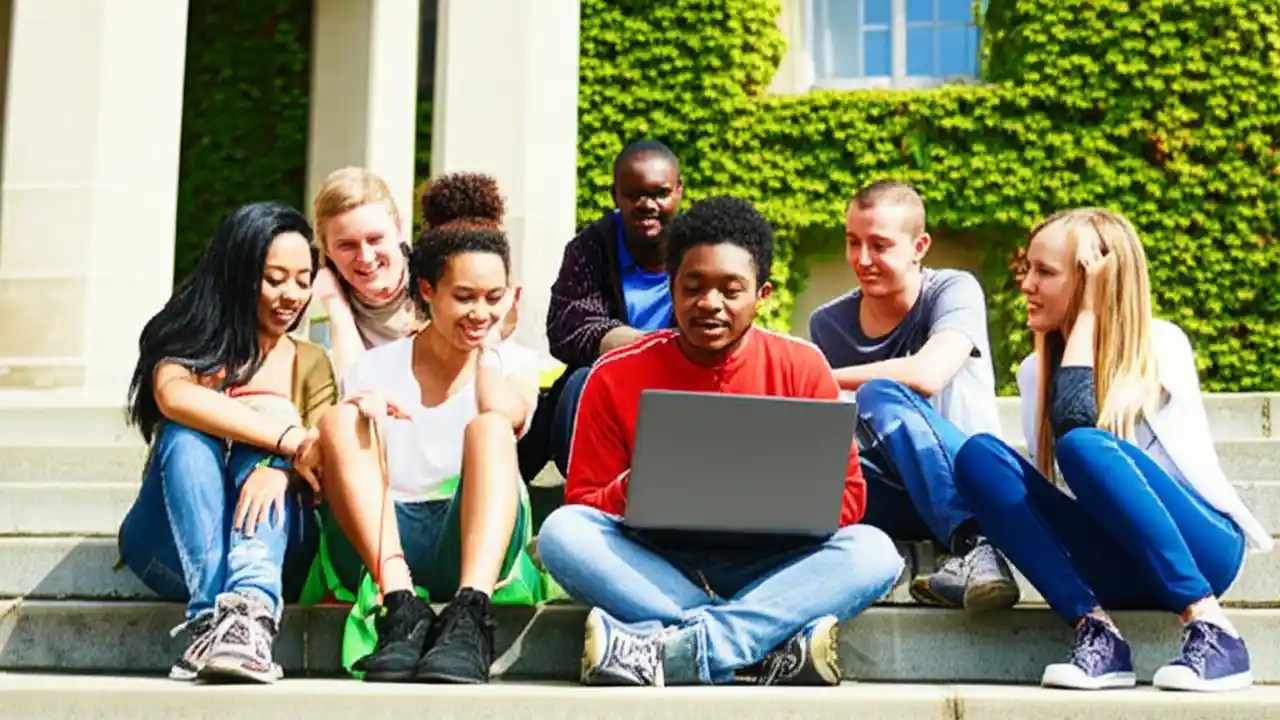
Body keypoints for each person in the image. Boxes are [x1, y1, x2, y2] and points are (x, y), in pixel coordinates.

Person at [536, 196, 904, 687]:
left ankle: (687, 648)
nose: (710, 303)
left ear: (762, 294)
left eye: (731, 290)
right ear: (672, 286)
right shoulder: (615, 373)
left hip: (775, 564)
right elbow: (583, 503)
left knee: (874, 552)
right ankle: (762, 646)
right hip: (657, 563)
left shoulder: (803, 367)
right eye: (693, 287)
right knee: (562, 535)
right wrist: (637, 487)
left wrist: (772, 494)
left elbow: (850, 500)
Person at [953, 208, 1273, 692]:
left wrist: (1087, 314)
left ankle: (1213, 630)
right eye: (1027, 268)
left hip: (1200, 550)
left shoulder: (1159, 345)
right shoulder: (1034, 373)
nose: (1026, 284)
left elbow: (1077, 429)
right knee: (979, 456)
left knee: (1084, 445)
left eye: (1046, 272)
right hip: (1114, 564)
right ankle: (1097, 634)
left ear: (1092, 280)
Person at [299, 176, 540, 684]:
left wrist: (488, 348)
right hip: (385, 540)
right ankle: (401, 609)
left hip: (466, 538)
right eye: (465, 297)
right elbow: (334, 460)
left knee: (490, 429)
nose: (480, 312)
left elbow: (504, 414)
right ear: (428, 291)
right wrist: (357, 417)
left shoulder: (514, 366)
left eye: (493, 298)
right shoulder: (373, 367)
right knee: (341, 418)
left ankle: (470, 616)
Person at [117, 202, 337, 684]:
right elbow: (174, 397)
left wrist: (279, 474)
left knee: (270, 447)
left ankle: (247, 612)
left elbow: (320, 458)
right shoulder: (187, 340)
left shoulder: (312, 361)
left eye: (303, 281)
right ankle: (223, 623)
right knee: (187, 431)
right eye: (274, 278)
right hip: (168, 552)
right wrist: (285, 439)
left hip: (274, 550)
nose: (291, 295)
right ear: (238, 272)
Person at [807, 180, 1016, 613]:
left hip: (970, 480)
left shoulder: (953, 291)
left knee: (880, 394)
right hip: (893, 490)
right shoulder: (828, 324)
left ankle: (978, 547)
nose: (863, 259)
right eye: (852, 242)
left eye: (879, 245)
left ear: (919, 247)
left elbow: (927, 374)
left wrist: (824, 377)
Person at [534, 140, 685, 478]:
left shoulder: (700, 248)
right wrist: (644, 348)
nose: (648, 205)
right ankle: (588, 487)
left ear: (679, 190)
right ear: (615, 194)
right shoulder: (591, 247)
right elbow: (565, 330)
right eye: (634, 195)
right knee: (580, 382)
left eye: (660, 193)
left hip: (684, 382)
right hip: (609, 381)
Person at [311, 167, 416, 374]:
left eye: (375, 239)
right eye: (347, 245)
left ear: (398, 228)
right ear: (327, 249)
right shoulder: (313, 305)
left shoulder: (439, 287)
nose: (366, 258)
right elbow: (349, 381)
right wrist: (336, 306)